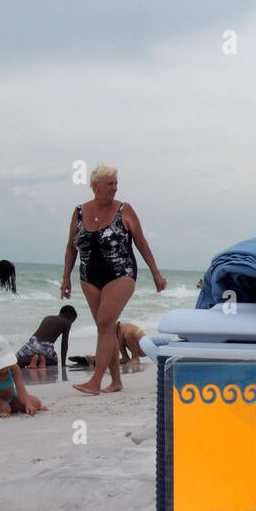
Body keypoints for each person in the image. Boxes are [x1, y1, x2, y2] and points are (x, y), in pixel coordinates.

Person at [61, 164, 167, 395]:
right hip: (89, 276)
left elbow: (141, 243)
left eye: (116, 183)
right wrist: (65, 278)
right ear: (96, 186)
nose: (115, 188)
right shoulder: (79, 211)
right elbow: (71, 247)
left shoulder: (124, 209)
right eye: (110, 184)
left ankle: (96, 381)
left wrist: (156, 273)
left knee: (104, 325)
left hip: (121, 273)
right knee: (106, 329)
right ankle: (116, 381)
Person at [17, 305, 78, 370]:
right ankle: (40, 359)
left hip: (32, 343)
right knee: (54, 361)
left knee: (17, 362)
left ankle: (34, 357)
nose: (71, 322)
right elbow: (64, 343)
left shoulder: (47, 317)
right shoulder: (67, 322)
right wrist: (63, 364)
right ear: (69, 315)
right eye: (72, 320)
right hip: (45, 347)